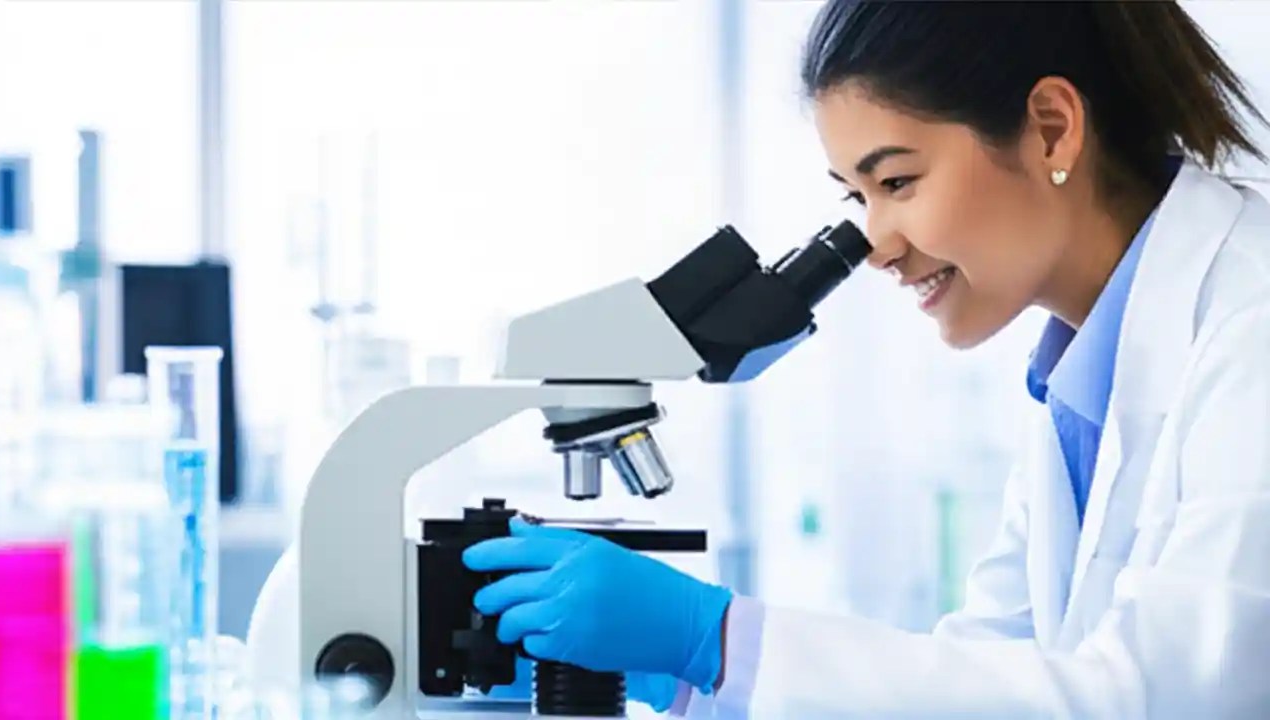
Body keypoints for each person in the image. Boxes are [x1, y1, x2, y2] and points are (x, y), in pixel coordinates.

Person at [463, 1, 1270, 717]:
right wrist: (695, 684)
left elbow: (1174, 699)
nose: (877, 245)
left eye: (898, 182)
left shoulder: (1251, 329)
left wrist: (715, 640)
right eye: (856, 197)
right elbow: (990, 677)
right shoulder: (1080, 379)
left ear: (1052, 127)